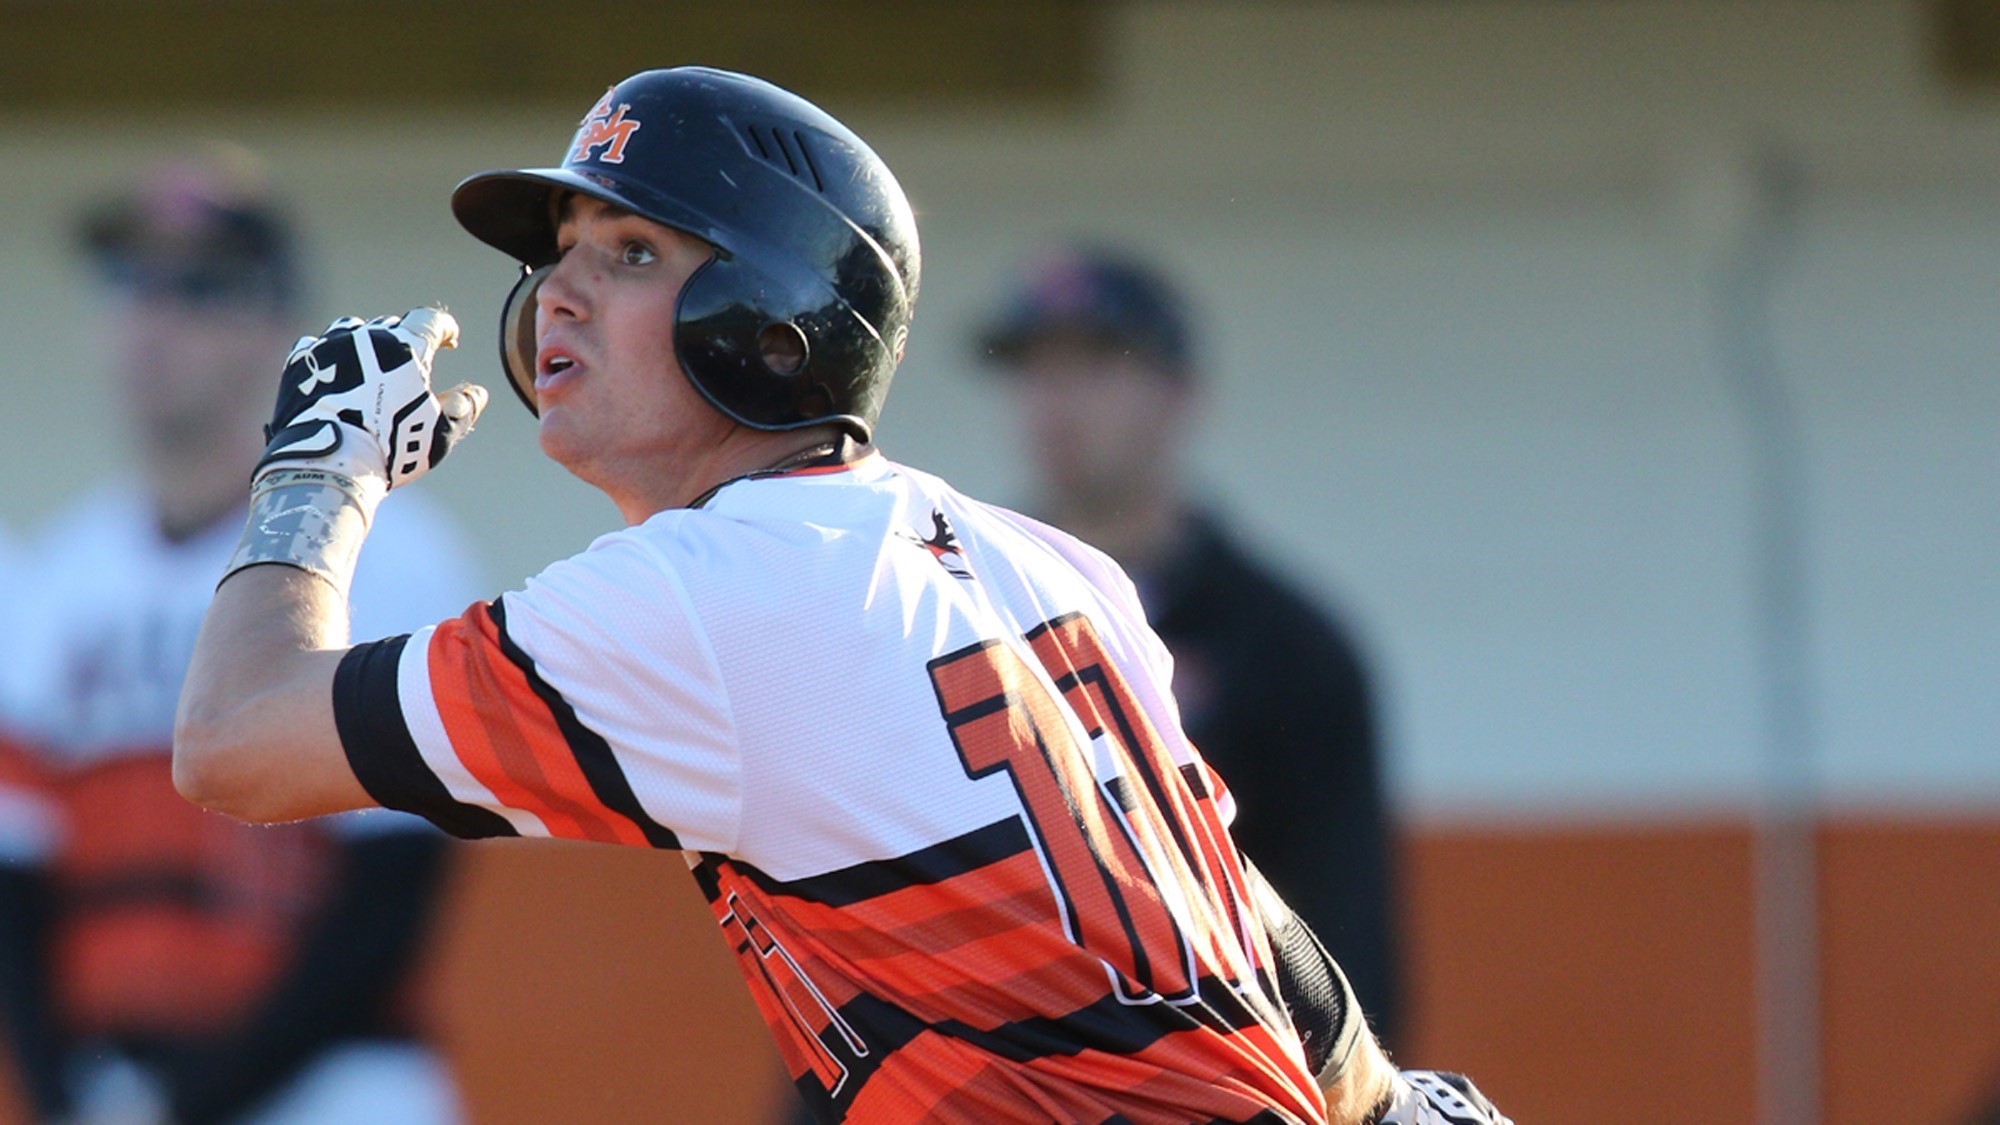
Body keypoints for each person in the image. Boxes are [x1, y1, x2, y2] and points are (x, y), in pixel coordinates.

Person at [169, 67, 1507, 1125]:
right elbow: (1255, 942)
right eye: (563, 247)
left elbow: (234, 741)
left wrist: (311, 476)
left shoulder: (700, 593)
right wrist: (1388, 1107)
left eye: (630, 253)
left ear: (768, 326)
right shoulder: (1039, 559)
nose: (555, 290)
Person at [0, 149, 477, 1124]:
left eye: (198, 288)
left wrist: (201, 1098)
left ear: (275, 327)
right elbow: (19, 886)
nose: (152, 320)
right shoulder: (56, 576)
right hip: (110, 1084)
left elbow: (393, 886)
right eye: (130, 283)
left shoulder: (381, 548)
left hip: (338, 1087)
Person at [975, 247, 1401, 1044]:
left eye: (1097, 362)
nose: (1059, 398)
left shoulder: (1288, 646)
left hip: (1222, 1075)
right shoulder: (949, 610)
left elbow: (1352, 923)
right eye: (1035, 368)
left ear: (1180, 393)